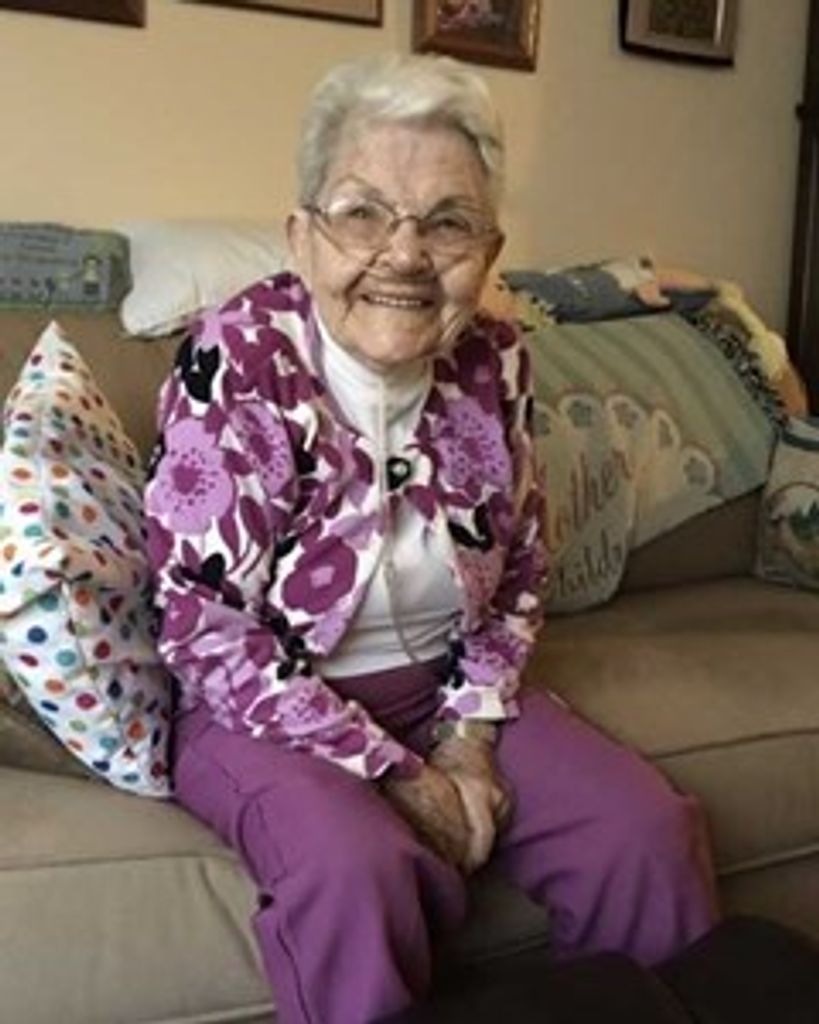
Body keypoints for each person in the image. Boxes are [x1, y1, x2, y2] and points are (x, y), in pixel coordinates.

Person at [144, 53, 719, 1024]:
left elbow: (520, 572)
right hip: (259, 710)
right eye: (362, 212)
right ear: (302, 236)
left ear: (488, 253)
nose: (404, 254)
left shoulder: (496, 359)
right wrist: (401, 776)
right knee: (354, 871)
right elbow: (203, 626)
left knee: (642, 833)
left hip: (443, 690)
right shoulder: (237, 356)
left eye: (447, 222)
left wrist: (468, 741)